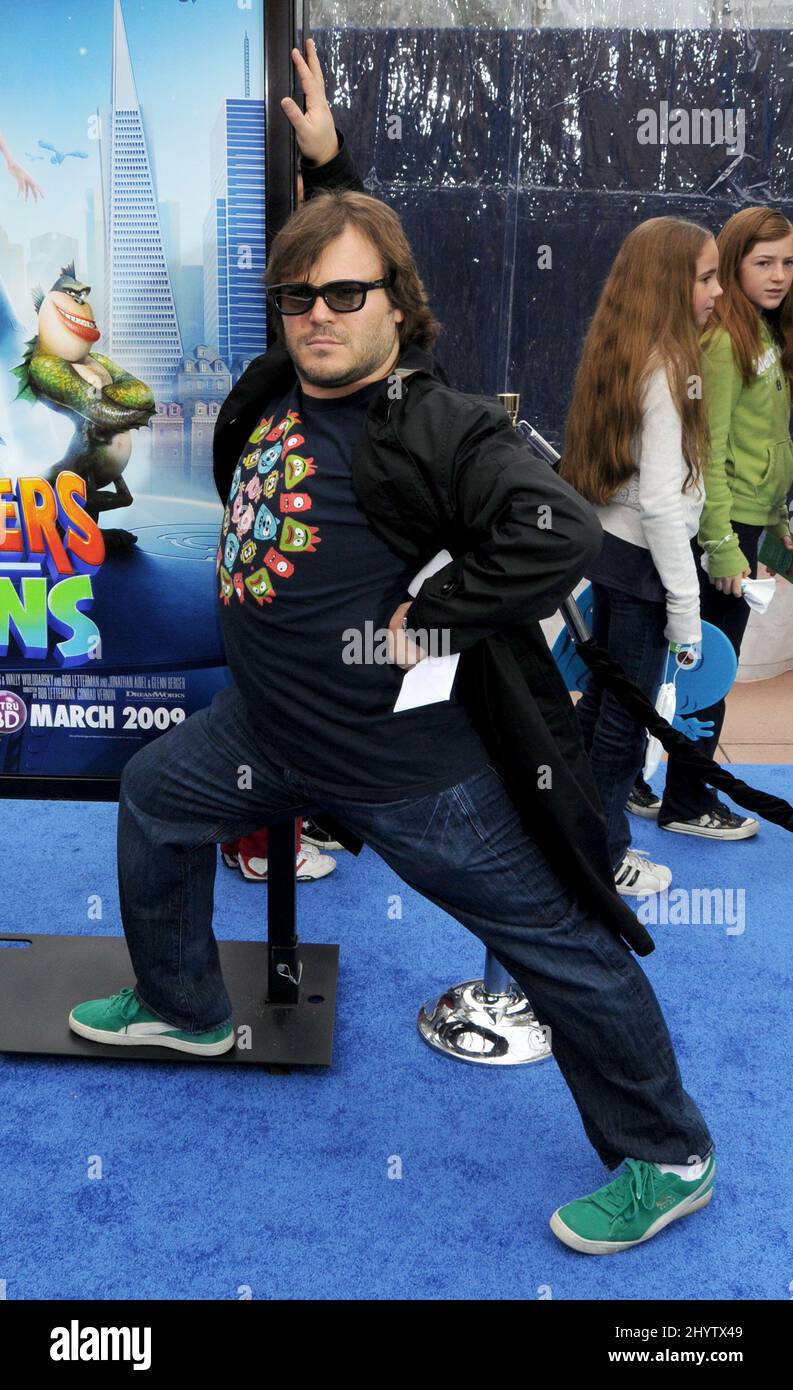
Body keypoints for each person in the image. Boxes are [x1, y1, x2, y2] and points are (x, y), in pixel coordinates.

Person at [67, 41, 714, 1254]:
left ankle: (666, 1152)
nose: (317, 315)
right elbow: (336, 257)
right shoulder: (279, 389)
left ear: (399, 313)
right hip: (268, 735)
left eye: (346, 299)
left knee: (556, 946)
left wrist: (447, 607)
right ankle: (186, 1003)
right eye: (298, 299)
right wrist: (330, 169)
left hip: (408, 769)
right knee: (156, 794)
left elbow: (556, 527)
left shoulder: (430, 421)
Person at [562, 218, 719, 895]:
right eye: (707, 276)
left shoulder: (627, 351)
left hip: (613, 555)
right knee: (622, 724)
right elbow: (660, 502)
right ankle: (600, 857)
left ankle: (570, 838)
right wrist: (685, 612)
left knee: (602, 704)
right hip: (640, 565)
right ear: (667, 283)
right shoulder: (665, 366)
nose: (718, 291)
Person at [658, 206, 793, 837]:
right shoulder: (723, 342)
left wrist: (776, 519)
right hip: (722, 529)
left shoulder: (767, 336)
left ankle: (644, 783)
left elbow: (763, 442)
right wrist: (722, 547)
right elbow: (706, 450)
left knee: (694, 663)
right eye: (762, 263)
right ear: (734, 263)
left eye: (788, 263)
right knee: (710, 666)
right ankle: (686, 802)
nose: (778, 275)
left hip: (750, 521)